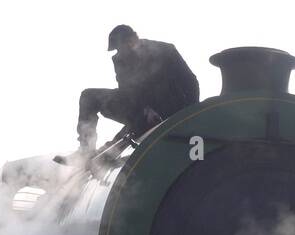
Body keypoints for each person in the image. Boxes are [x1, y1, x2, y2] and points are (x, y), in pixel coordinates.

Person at [64, 25, 200, 163]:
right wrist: (145, 109)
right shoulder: (120, 60)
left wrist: (190, 117)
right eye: (117, 49)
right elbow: (127, 94)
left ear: (133, 39)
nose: (119, 53)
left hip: (169, 110)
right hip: (139, 110)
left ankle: (119, 143)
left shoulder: (165, 51)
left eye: (121, 47)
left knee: (134, 129)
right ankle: (86, 150)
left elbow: (190, 82)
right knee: (88, 96)